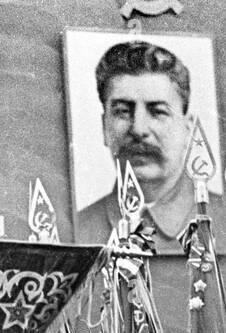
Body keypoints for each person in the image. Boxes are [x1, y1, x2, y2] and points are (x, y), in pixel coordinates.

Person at [74, 41, 197, 255]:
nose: (139, 129)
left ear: (188, 129)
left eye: (158, 111)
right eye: (122, 111)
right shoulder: (81, 228)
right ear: (105, 126)